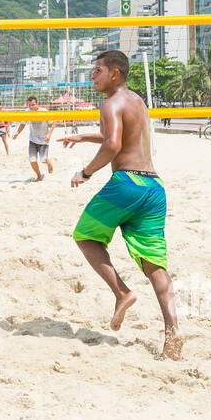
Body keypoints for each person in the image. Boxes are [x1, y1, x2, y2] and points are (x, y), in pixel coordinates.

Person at [63, 50, 180, 358]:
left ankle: (122, 293)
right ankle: (172, 335)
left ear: (115, 73)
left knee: (85, 236)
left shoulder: (109, 103)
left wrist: (85, 172)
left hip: (126, 184)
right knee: (155, 264)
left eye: (98, 70)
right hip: (153, 187)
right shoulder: (138, 101)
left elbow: (113, 145)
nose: (92, 75)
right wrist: (84, 137)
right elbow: (117, 136)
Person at [12, 95, 56, 180]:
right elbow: (23, 124)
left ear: (37, 104)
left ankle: (49, 163)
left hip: (44, 140)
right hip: (33, 139)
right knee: (32, 160)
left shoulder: (44, 112)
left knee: (43, 160)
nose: (31, 107)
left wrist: (49, 135)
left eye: (33, 105)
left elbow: (54, 122)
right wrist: (17, 133)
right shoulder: (27, 112)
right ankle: (39, 176)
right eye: (29, 105)